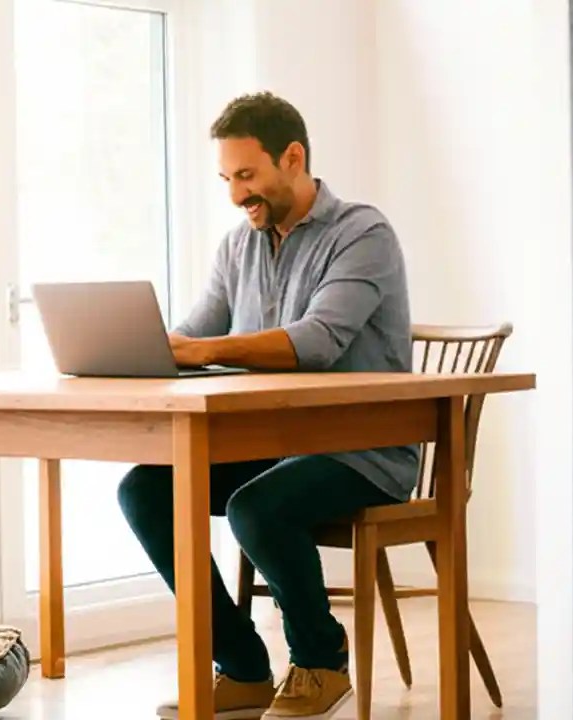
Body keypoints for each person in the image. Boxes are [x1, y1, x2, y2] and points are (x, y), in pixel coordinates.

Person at [117, 92, 418, 719]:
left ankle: (320, 661)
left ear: (293, 157)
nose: (235, 194)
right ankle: (245, 668)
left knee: (255, 507)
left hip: (365, 451)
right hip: (274, 447)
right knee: (145, 490)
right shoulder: (238, 246)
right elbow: (197, 330)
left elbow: (317, 340)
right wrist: (150, 348)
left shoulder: (363, 233)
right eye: (227, 179)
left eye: (247, 176)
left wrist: (198, 351)